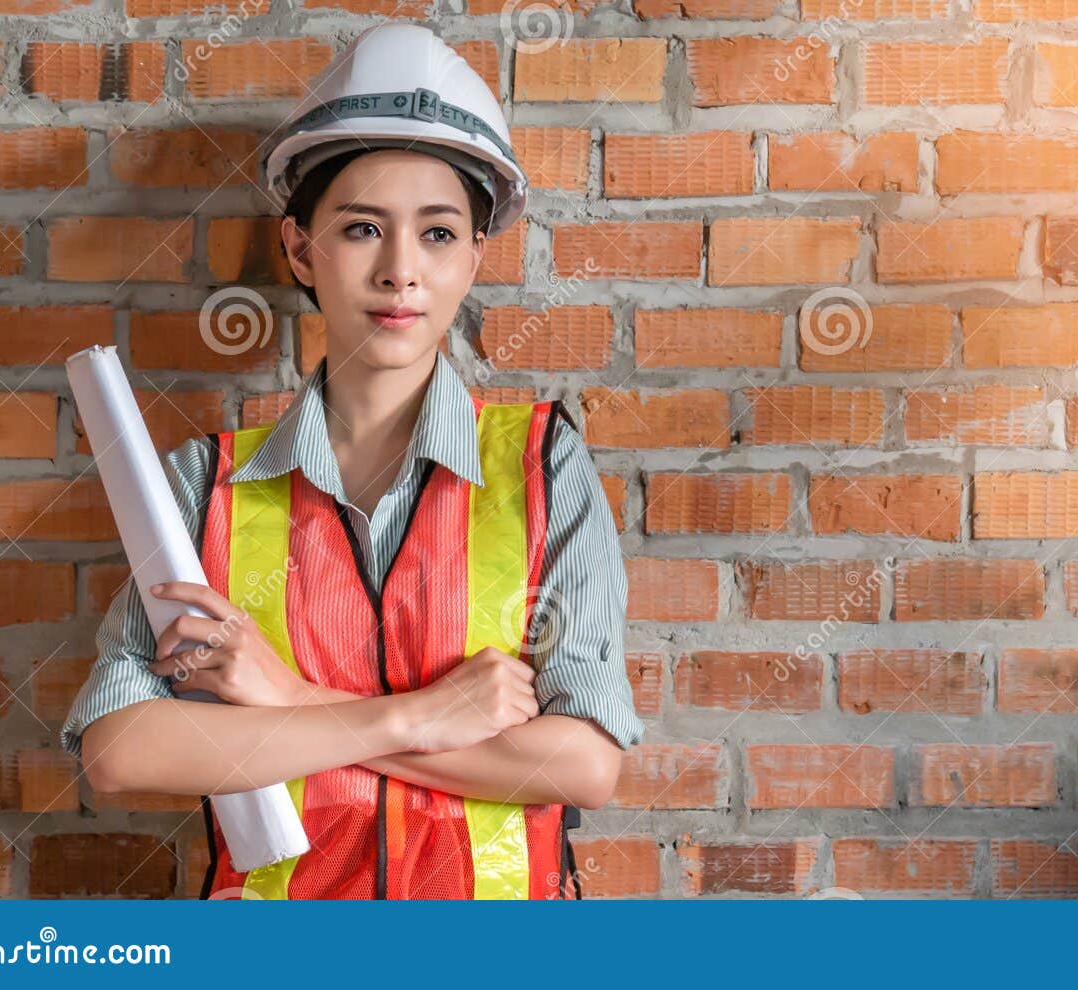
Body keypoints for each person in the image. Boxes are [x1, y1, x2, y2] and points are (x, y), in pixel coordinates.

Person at [60, 22, 642, 900]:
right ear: (300, 249)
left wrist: (287, 701)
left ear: (476, 257)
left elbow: (582, 763)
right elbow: (121, 748)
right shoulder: (202, 486)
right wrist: (416, 717)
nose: (401, 272)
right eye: (363, 228)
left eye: (439, 234)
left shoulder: (543, 468)